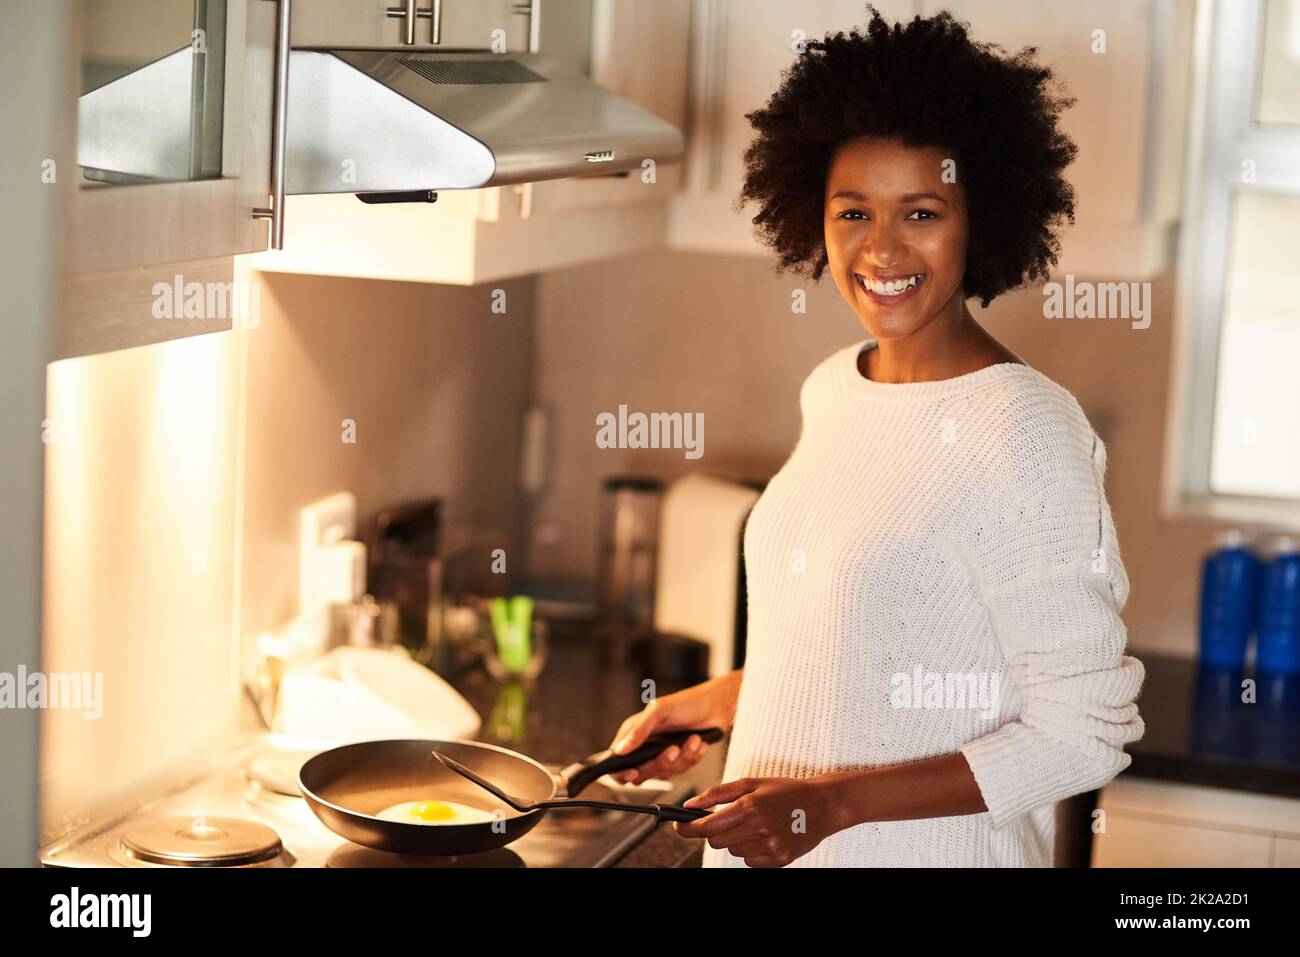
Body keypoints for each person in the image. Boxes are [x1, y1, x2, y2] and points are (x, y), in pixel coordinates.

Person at [605, 6, 1145, 868]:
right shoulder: (836, 386)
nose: (881, 248)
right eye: (853, 212)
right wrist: (728, 700)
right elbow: (876, 653)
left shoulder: (1028, 432)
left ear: (983, 219)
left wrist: (830, 805)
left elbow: (1083, 734)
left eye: (921, 212)